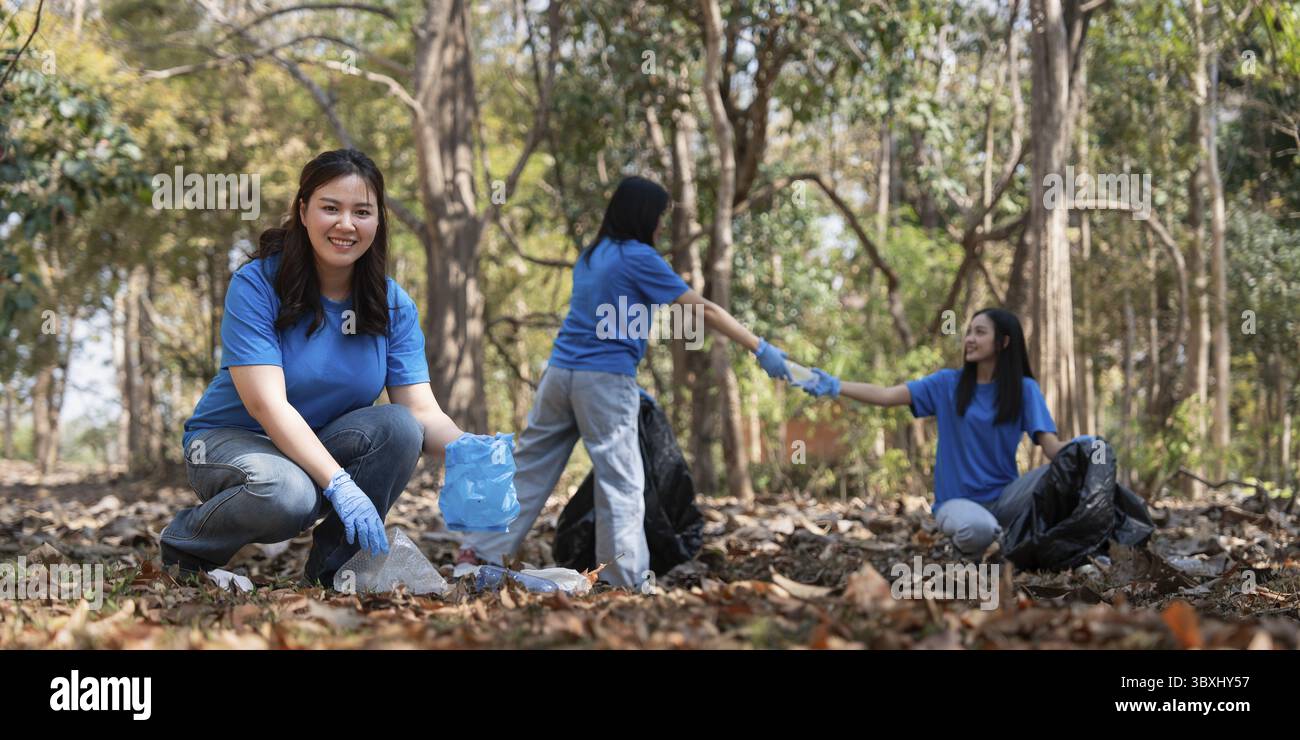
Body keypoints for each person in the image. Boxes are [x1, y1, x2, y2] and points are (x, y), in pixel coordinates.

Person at [456, 175, 793, 587]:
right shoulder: (639, 257)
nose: (660, 227)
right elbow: (701, 310)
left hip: (559, 376)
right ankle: (623, 581)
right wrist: (760, 347)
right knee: (621, 481)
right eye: (659, 218)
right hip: (603, 380)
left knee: (529, 468)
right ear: (642, 216)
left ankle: (476, 553)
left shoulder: (591, 255)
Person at [161, 149, 467, 585]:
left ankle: (337, 568)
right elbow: (268, 406)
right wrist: (339, 484)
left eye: (362, 211)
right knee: (288, 494)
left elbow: (420, 412)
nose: (346, 224)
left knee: (399, 427)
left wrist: (469, 450)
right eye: (331, 208)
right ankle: (184, 550)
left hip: (317, 448)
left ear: (378, 221)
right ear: (303, 211)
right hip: (231, 441)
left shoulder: (390, 303)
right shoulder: (257, 284)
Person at [798, 308, 1094, 557]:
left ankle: (1063, 542)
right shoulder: (947, 384)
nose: (969, 339)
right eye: (968, 332)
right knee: (978, 530)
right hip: (956, 503)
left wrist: (1089, 447)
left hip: (1007, 499)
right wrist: (834, 386)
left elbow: (1053, 450)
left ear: (1003, 342)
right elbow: (887, 396)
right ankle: (1000, 540)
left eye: (980, 332)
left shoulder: (1023, 390)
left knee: (1067, 469)